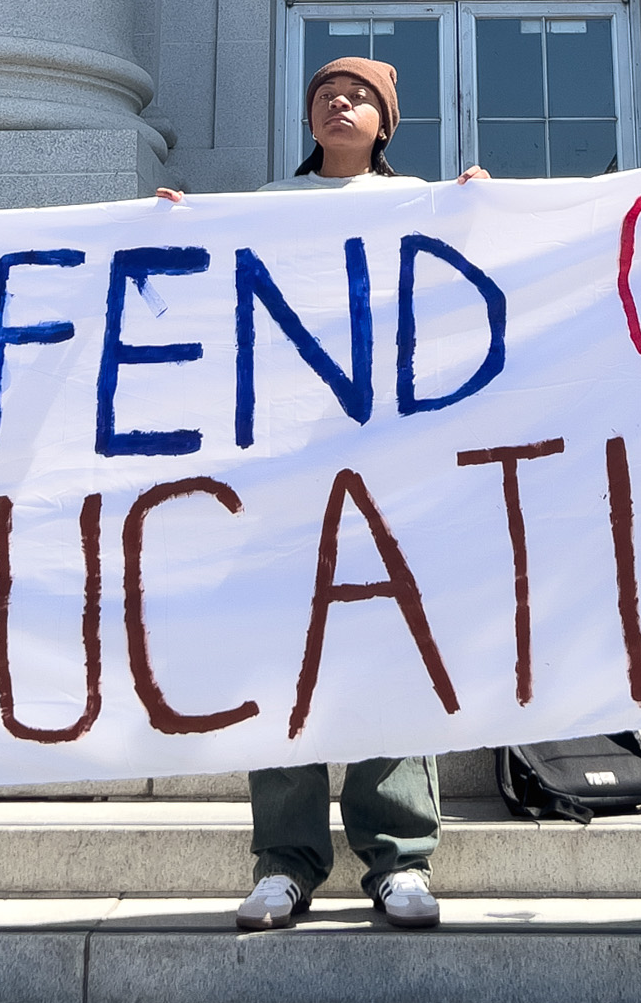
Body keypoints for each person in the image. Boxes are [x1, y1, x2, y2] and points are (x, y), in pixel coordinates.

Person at [157, 57, 486, 933]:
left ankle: (400, 859)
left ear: (387, 124)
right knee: (283, 657)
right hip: (282, 471)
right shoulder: (266, 206)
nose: (340, 106)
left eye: (361, 99)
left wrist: (492, 219)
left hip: (388, 467)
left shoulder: (421, 203)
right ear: (310, 121)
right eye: (325, 97)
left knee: (389, 651)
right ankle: (285, 862)